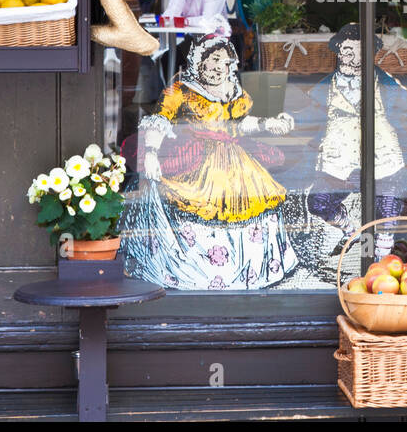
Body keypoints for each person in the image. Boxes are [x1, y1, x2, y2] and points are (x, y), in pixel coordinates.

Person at [120, 35, 298, 290]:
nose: (219, 68)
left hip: (234, 160)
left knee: (251, 201)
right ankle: (196, 275)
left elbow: (238, 124)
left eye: (225, 63)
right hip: (192, 158)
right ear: (199, 61)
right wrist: (150, 153)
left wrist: (267, 124)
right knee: (190, 202)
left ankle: (246, 275)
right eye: (214, 60)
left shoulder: (232, 91)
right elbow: (159, 122)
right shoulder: (181, 91)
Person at [284, 23, 407, 281]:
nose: (352, 57)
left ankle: (382, 262)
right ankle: (350, 230)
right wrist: (288, 120)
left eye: (358, 51)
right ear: (338, 52)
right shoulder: (328, 85)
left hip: (382, 153)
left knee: (387, 205)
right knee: (319, 201)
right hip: (339, 156)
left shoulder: (382, 80)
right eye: (347, 50)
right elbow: (310, 113)